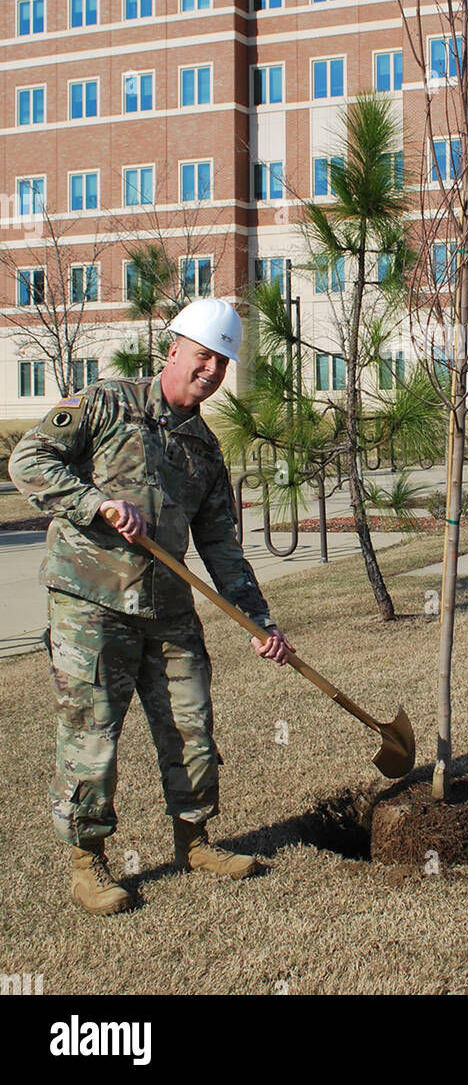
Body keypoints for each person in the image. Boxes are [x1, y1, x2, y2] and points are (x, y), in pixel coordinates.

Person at [9, 297, 293, 914]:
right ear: (173, 351)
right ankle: (89, 863)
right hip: (91, 601)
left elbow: (222, 547)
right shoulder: (107, 402)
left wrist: (260, 621)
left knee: (192, 725)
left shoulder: (206, 451)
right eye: (202, 357)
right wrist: (97, 505)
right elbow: (28, 460)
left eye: (221, 362)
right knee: (91, 737)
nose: (211, 371)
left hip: (168, 608)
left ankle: (195, 841)